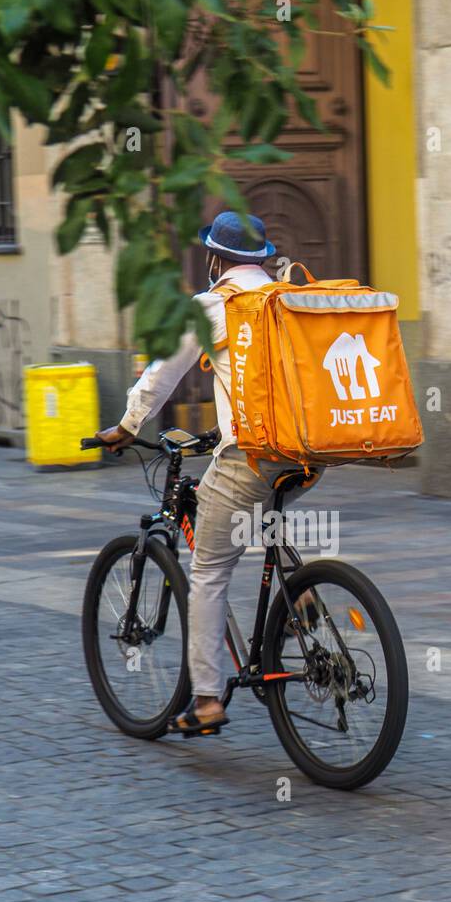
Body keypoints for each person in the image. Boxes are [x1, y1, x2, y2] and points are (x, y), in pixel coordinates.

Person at [97, 210, 320, 736]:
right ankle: (303, 599)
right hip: (310, 453)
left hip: (253, 454)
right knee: (259, 513)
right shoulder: (288, 296)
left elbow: (162, 374)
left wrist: (128, 425)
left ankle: (205, 703)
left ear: (215, 258)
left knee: (209, 570)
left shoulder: (215, 306)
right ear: (263, 259)